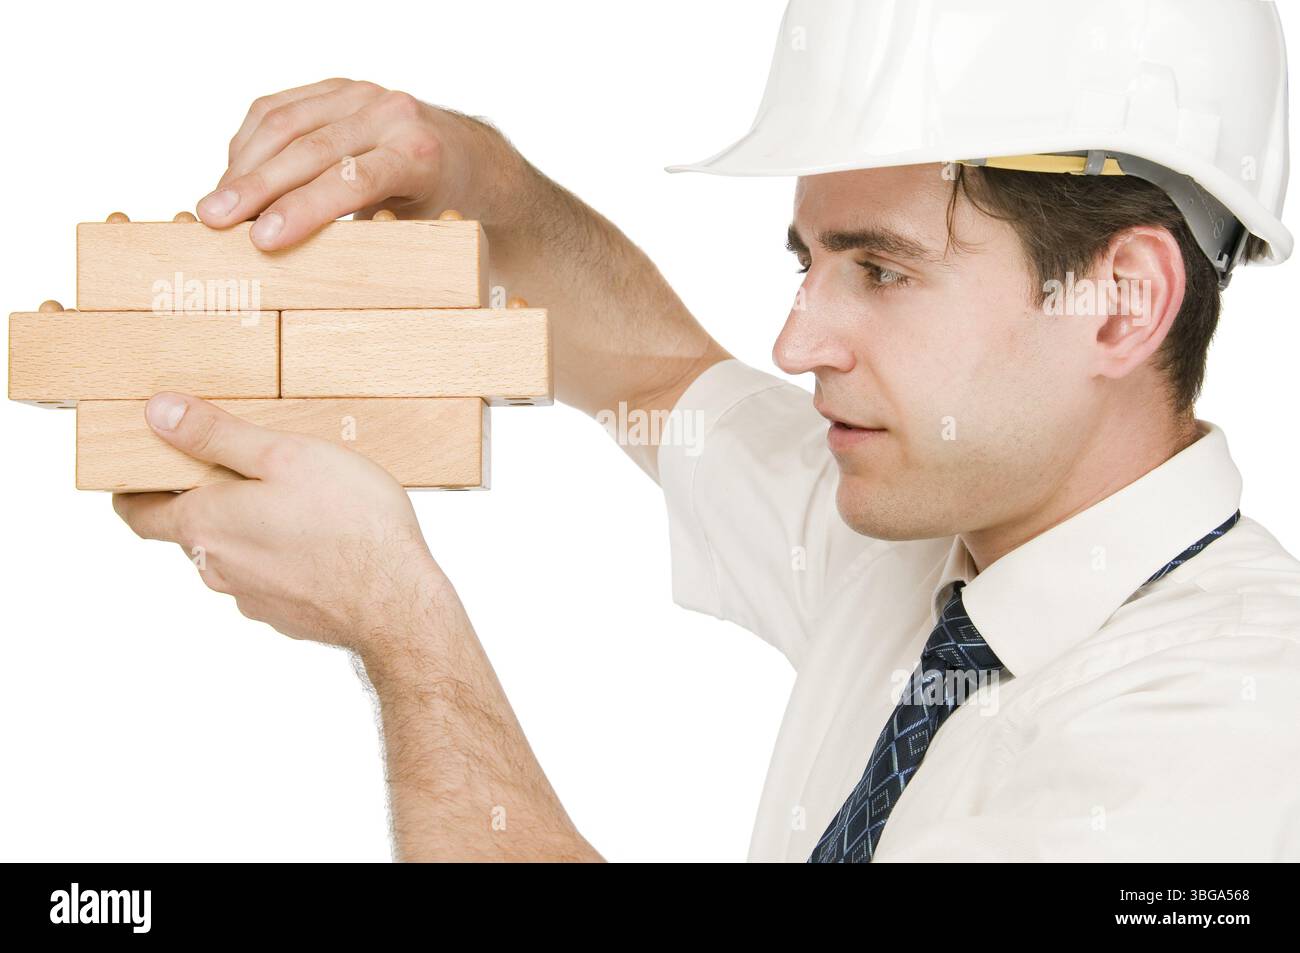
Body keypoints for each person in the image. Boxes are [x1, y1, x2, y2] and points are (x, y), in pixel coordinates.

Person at [114, 0, 1300, 862]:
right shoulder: (926, 536)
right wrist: (473, 174)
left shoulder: (1225, 739)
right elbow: (652, 366)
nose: (796, 345)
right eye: (810, 261)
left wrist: (403, 631)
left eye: (881, 270)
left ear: (1120, 302)